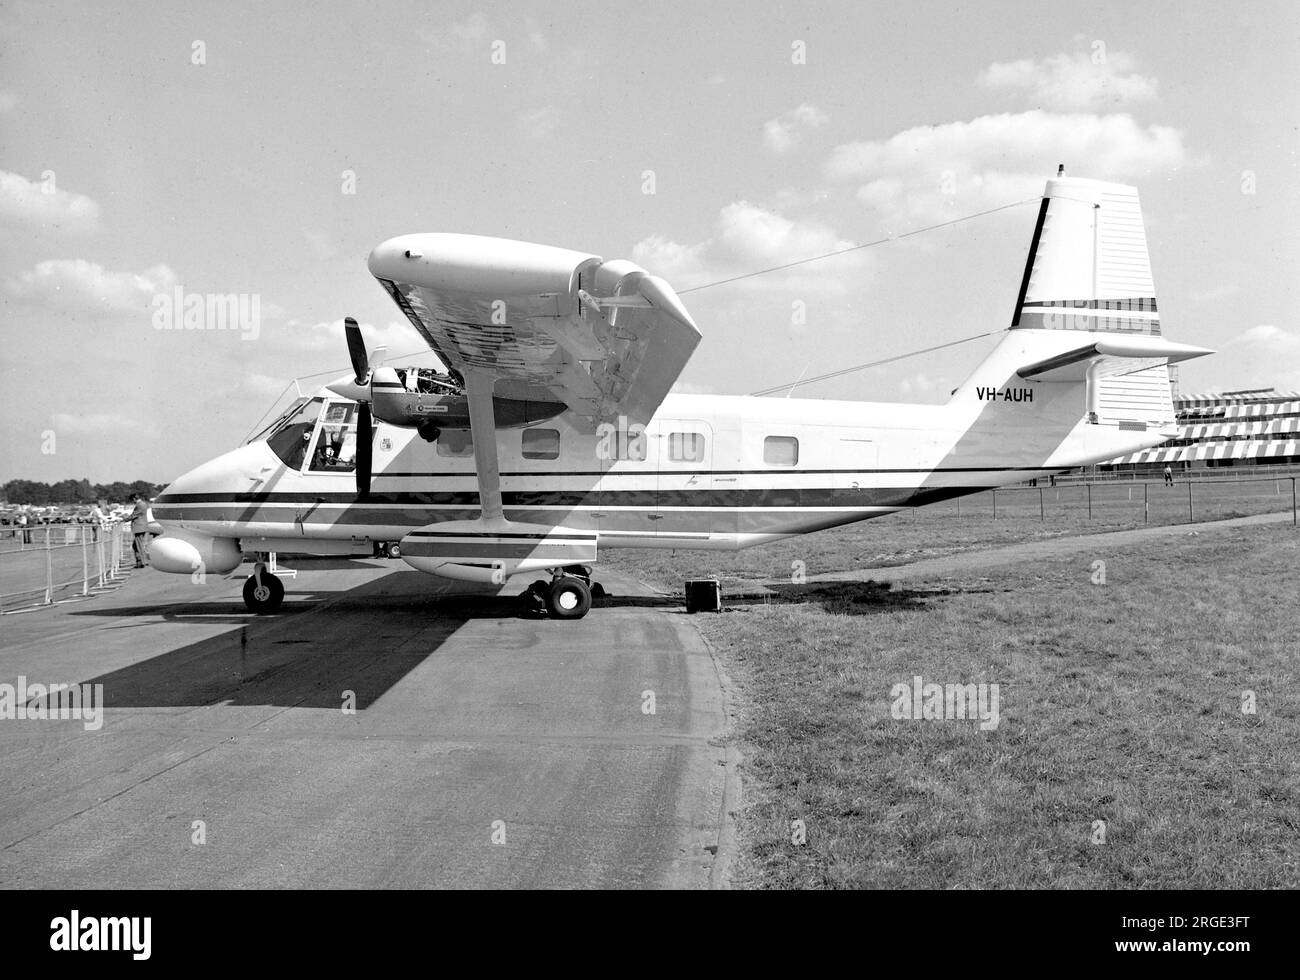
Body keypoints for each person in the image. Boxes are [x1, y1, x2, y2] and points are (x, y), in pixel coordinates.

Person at [128, 493, 149, 568]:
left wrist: (123, 519)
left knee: (138, 545)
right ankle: (139, 561)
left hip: (139, 527)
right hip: (142, 526)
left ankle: (143, 562)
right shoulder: (143, 503)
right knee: (135, 545)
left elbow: (134, 515)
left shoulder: (139, 505)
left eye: (132, 500)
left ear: (134, 498)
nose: (132, 502)